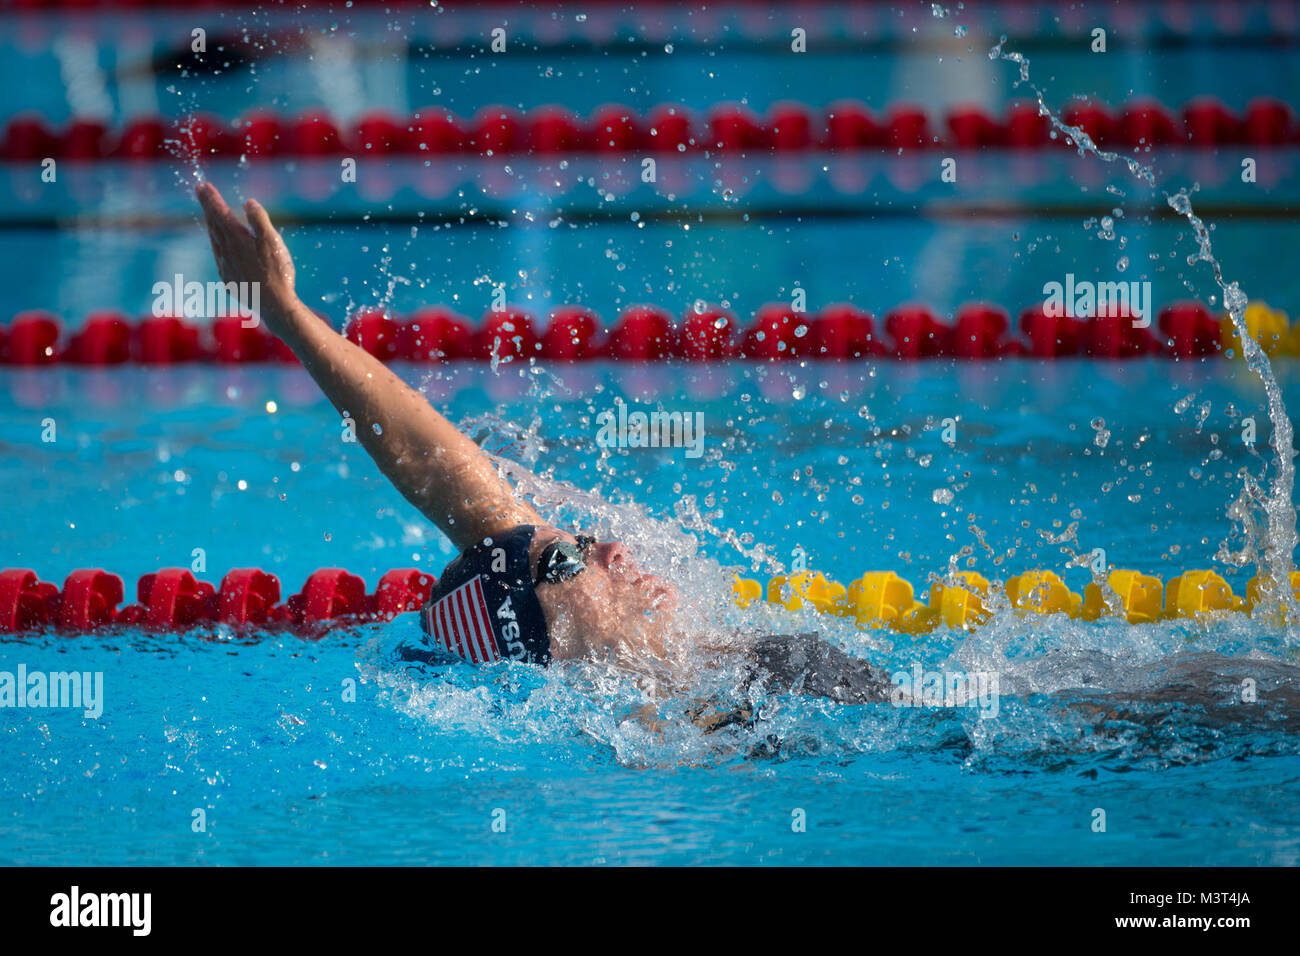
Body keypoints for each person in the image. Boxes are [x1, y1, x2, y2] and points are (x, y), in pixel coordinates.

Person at [195, 182, 890, 722]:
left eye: (580, 540)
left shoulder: (743, 661)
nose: (614, 551)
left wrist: (287, 317)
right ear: (544, 645)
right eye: (567, 560)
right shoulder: (678, 739)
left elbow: (437, 469)